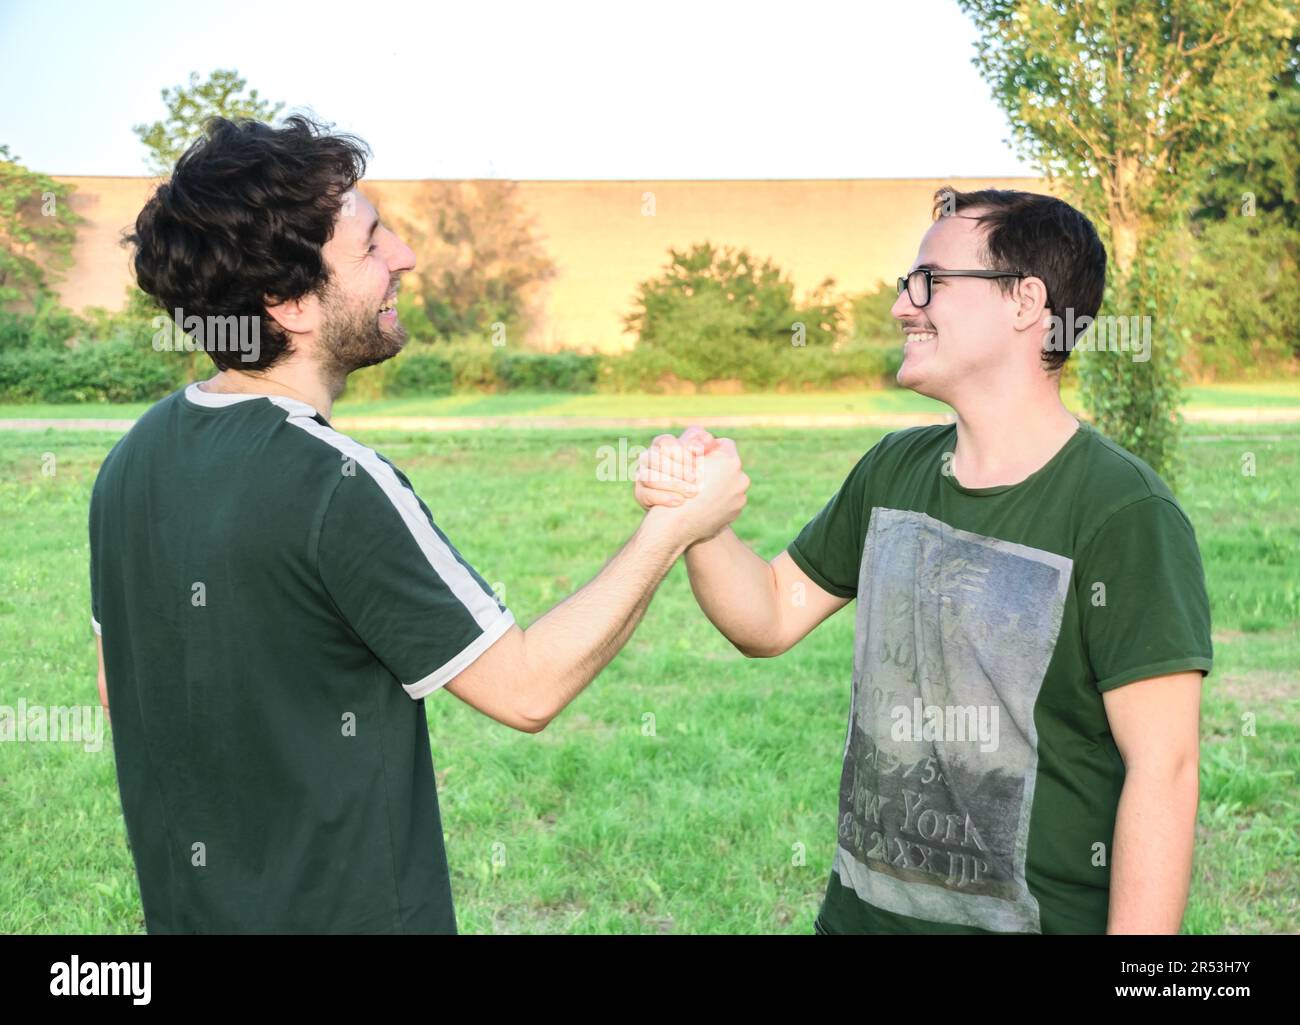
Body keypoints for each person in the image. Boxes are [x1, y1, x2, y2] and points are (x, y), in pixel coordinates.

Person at [89, 115, 748, 933]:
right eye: (369, 246)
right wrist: (676, 526)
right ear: (289, 303)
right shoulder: (336, 481)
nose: (403, 256)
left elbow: (120, 687)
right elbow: (527, 687)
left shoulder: (129, 462)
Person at [635, 187, 1213, 934]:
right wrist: (698, 522)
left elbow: (1163, 771)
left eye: (929, 282)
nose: (904, 306)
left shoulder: (1123, 511)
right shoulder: (893, 471)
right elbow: (771, 612)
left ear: (1025, 301)